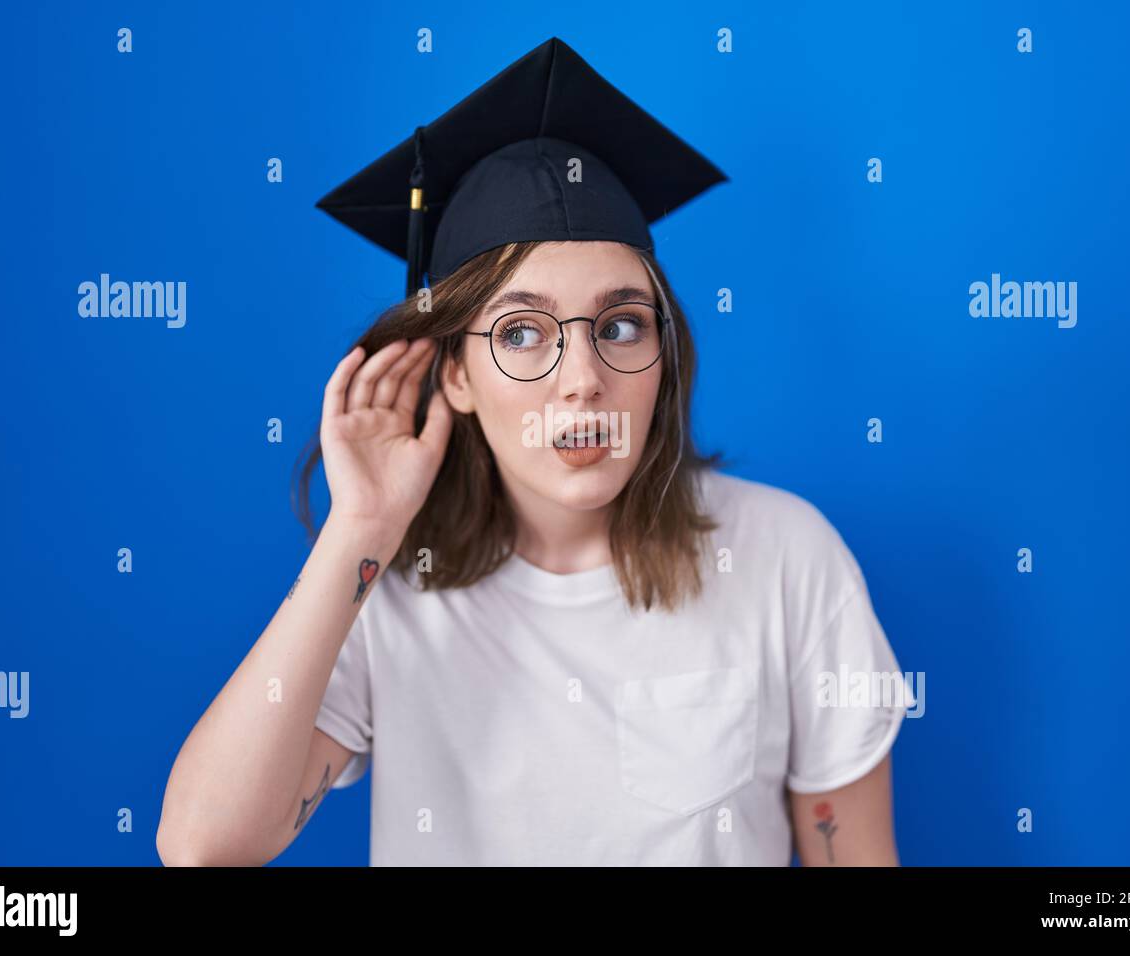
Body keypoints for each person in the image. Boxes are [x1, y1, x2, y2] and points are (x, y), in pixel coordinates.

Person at [156, 37, 913, 867]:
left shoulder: (785, 558)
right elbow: (204, 845)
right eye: (522, 333)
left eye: (620, 324)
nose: (583, 380)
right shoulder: (391, 591)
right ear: (455, 375)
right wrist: (361, 531)